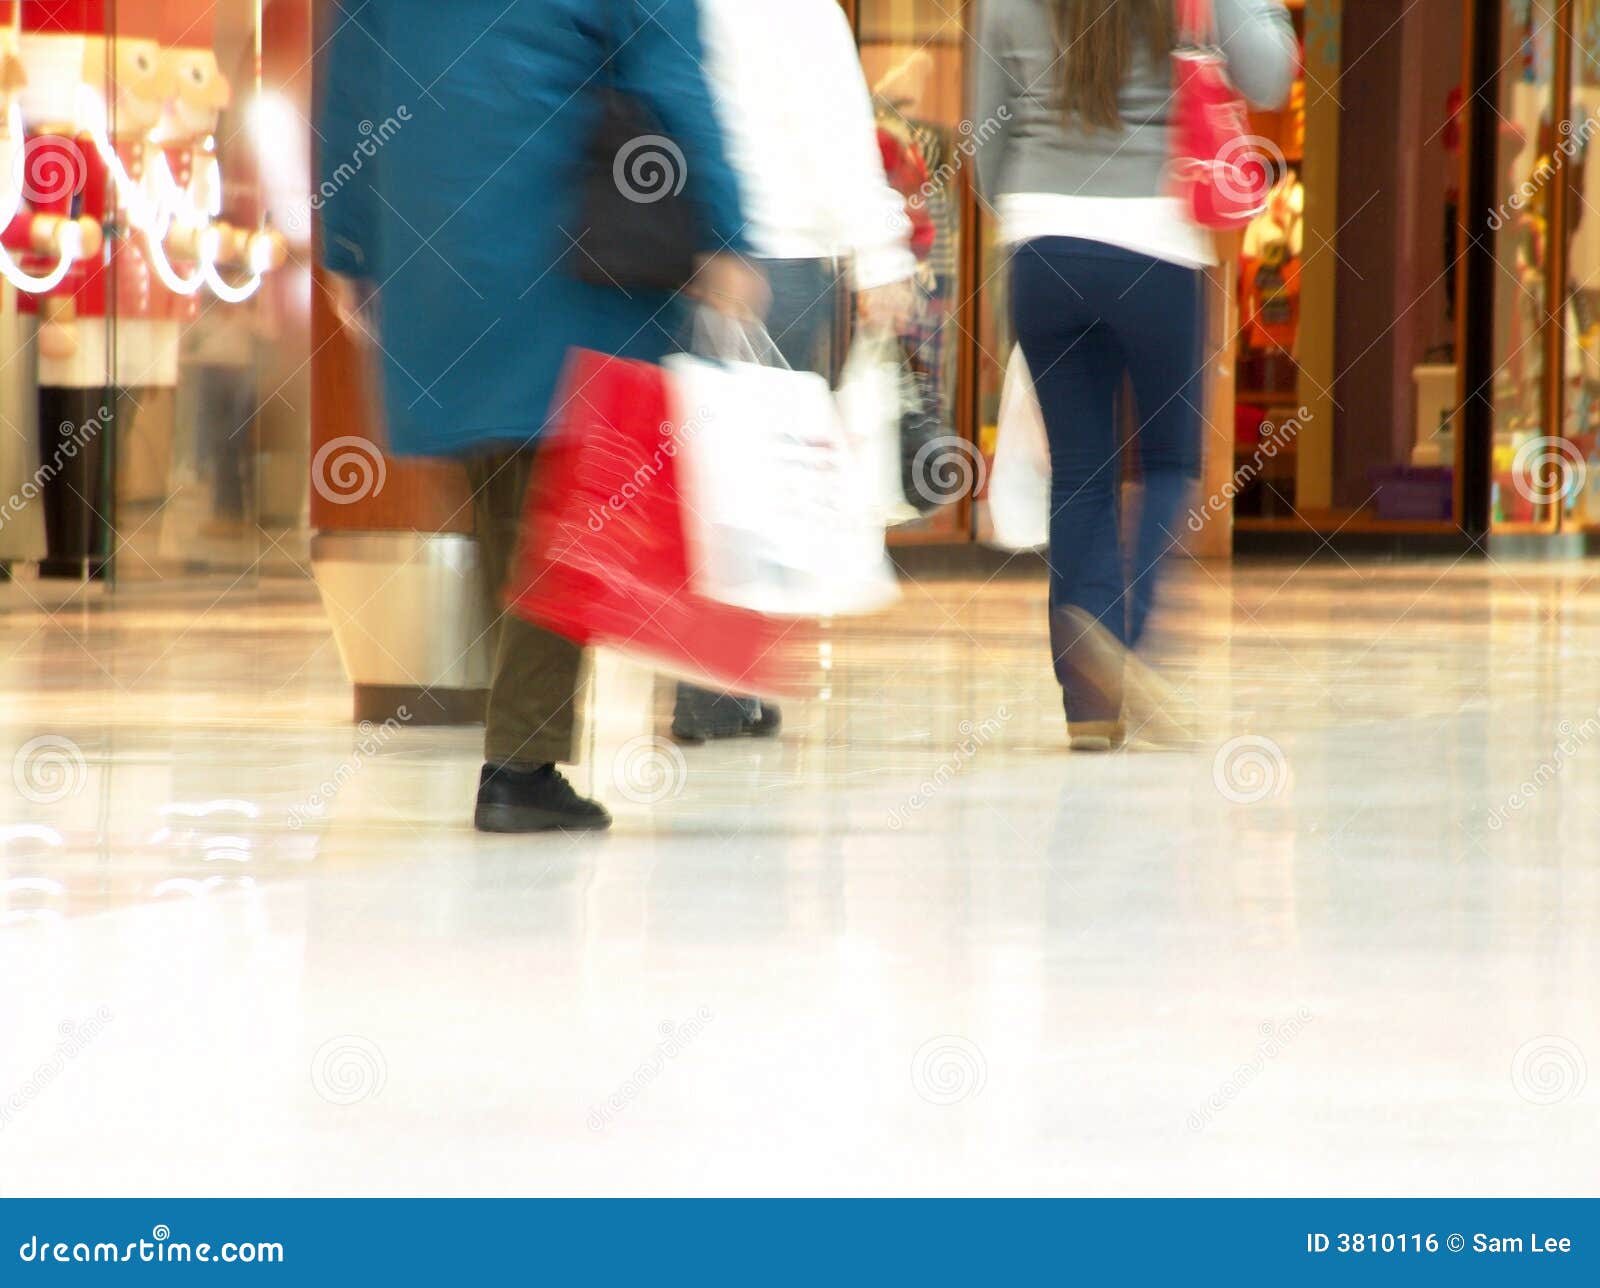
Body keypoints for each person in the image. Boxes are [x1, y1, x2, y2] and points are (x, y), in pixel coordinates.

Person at [318, 0, 767, 833]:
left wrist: (348, 242)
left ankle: (522, 756)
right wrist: (726, 228)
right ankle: (520, 767)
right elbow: (672, 72)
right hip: (570, 246)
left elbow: (349, 90)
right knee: (567, 501)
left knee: (511, 492)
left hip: (434, 242)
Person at [974, 0, 1296, 749]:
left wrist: (1035, 214)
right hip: (1156, 244)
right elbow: (1270, 76)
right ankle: (1123, 643)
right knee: (1171, 462)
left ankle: (1089, 707)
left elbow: (987, 140)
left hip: (1042, 244)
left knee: (1080, 472)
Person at [667, 0, 919, 746]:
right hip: (781, 256)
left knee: (712, 469)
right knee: (766, 465)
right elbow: (838, 133)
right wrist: (880, 257)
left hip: (689, 256)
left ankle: (718, 677)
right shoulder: (802, 11)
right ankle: (717, 686)